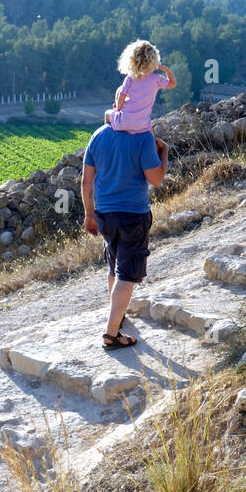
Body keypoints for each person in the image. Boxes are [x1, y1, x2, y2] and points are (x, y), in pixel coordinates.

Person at [81, 120, 168, 349]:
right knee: (127, 274)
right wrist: (164, 152)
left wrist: (89, 214)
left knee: (114, 265)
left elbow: (86, 180)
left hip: (105, 213)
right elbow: (156, 179)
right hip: (133, 214)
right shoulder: (142, 137)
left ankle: (117, 316)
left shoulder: (98, 134)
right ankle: (111, 334)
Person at [105, 39, 175, 164]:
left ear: (132, 60)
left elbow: (121, 97)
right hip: (143, 124)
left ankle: (108, 141)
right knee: (152, 138)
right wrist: (166, 70)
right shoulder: (156, 79)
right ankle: (159, 160)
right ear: (154, 61)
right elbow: (172, 83)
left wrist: (117, 109)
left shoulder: (130, 79)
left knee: (107, 114)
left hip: (124, 122)